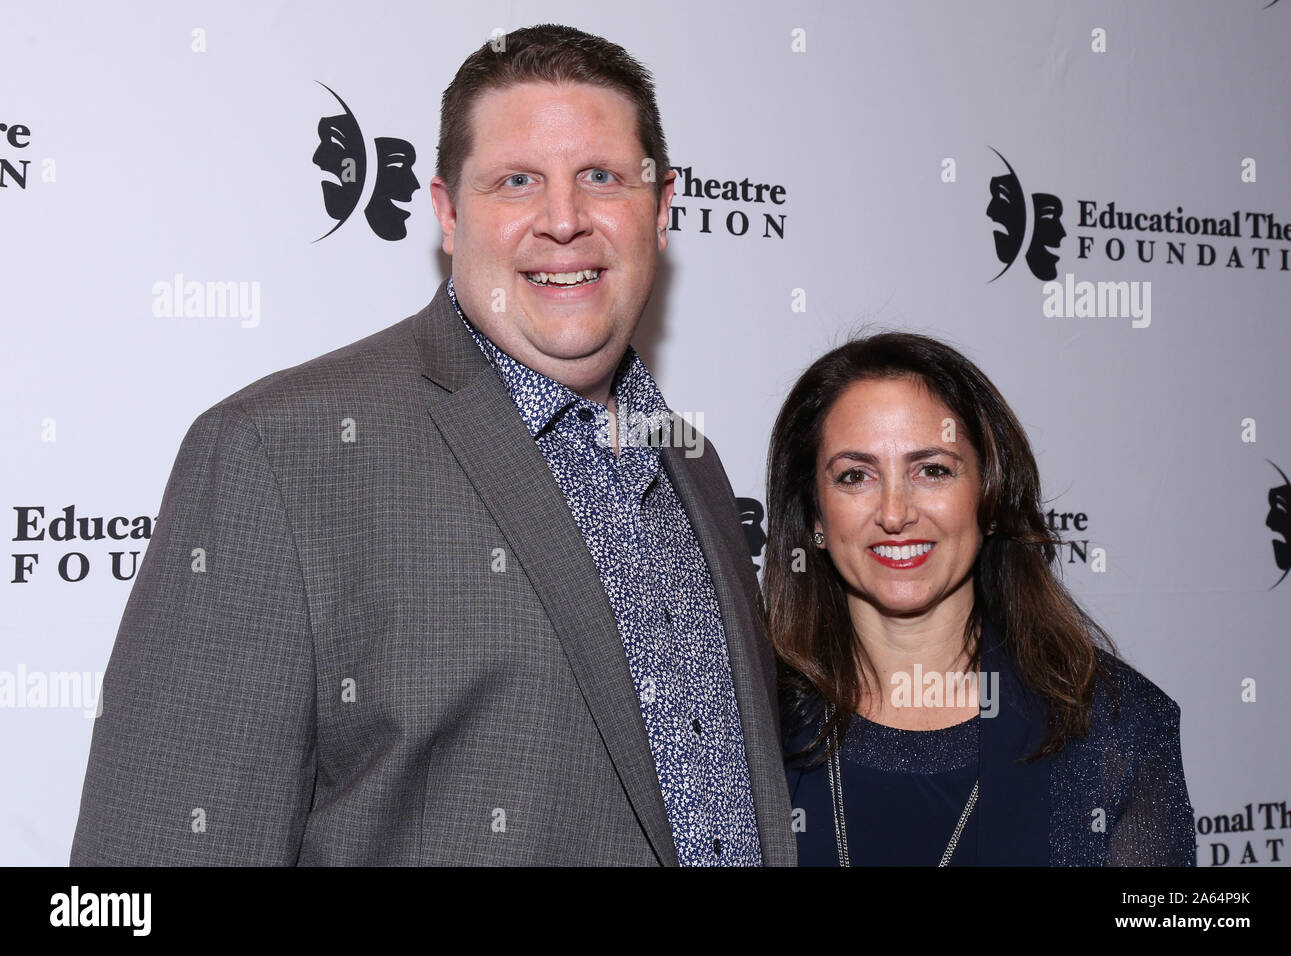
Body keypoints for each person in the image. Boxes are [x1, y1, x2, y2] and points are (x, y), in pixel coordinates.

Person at [71, 23, 795, 867]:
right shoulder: (278, 455)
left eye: (601, 177)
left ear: (662, 209)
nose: (564, 221)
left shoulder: (691, 462)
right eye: (516, 181)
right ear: (449, 214)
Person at [764, 332, 1196, 865]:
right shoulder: (750, 721)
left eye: (933, 470)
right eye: (856, 476)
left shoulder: (1113, 726)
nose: (895, 513)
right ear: (815, 516)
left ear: (990, 498)